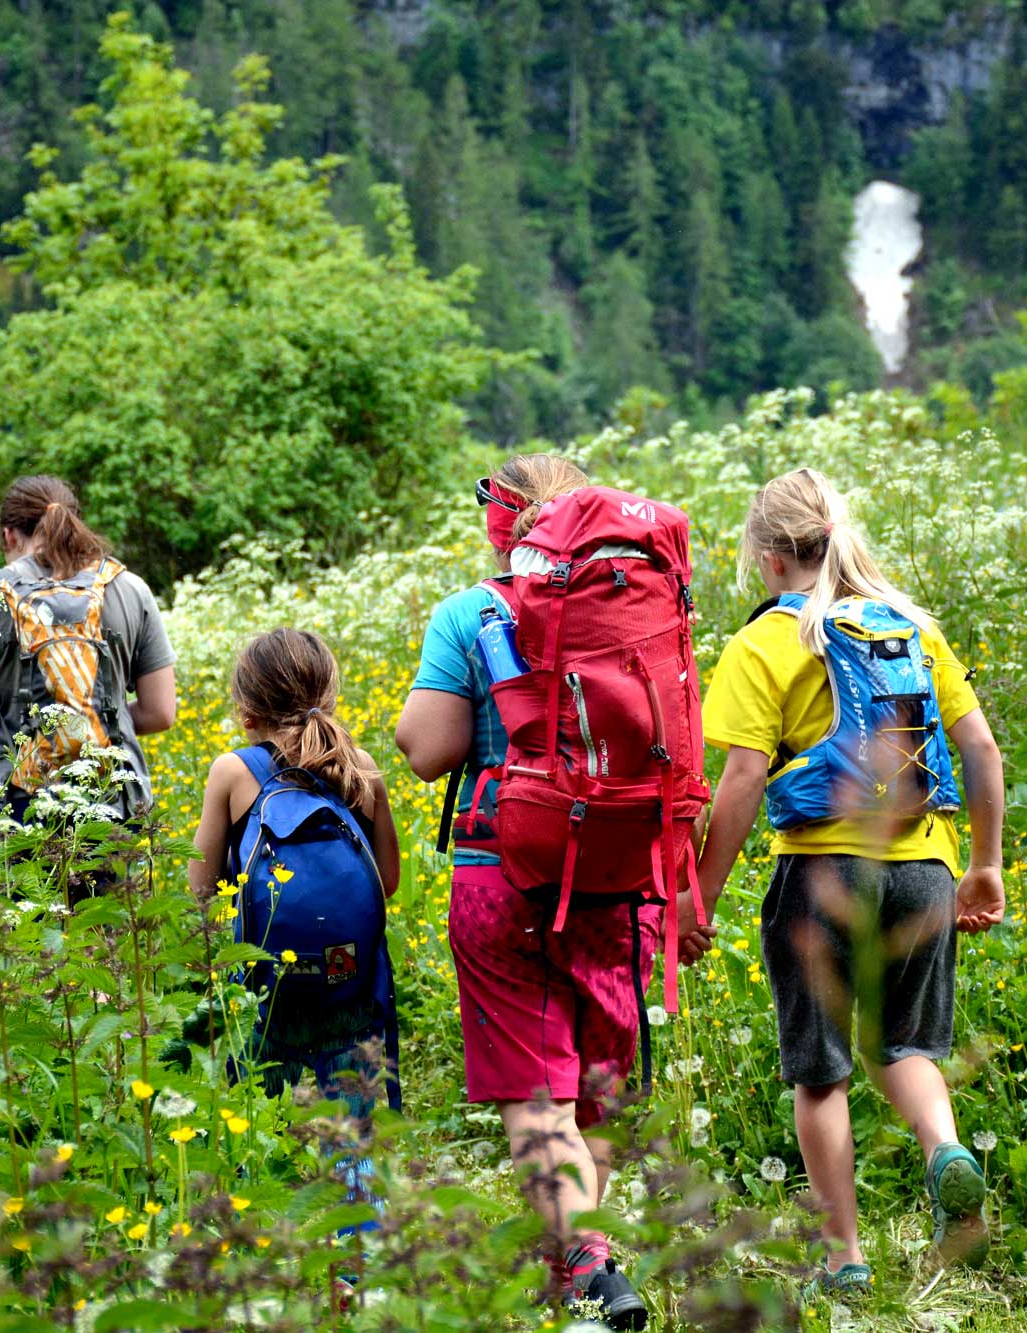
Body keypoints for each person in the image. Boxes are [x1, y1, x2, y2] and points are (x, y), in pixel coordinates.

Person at [680, 467, 1005, 1294]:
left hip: (821, 870)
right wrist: (984, 865)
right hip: (923, 867)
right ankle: (946, 1149)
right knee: (907, 1044)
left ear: (769, 558)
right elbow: (980, 749)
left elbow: (742, 780)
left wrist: (700, 895)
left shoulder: (764, 642)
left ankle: (844, 1260)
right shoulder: (910, 629)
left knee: (819, 1071)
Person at [395, 454, 656, 1330]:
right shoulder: (637, 604)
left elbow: (428, 749)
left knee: (537, 1097)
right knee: (595, 1095)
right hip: (622, 879)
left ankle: (589, 1266)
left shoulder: (470, 612)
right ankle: (580, 1265)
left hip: (503, 878)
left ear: (499, 525)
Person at [186, 626, 402, 1107]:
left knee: (257, 1122)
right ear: (330, 697)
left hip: (264, 992)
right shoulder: (359, 766)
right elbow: (386, 882)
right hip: (349, 984)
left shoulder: (232, 772)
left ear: (247, 712)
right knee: (351, 1133)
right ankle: (352, 1157)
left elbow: (200, 888)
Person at [0, 476, 178, 877]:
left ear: (8, 535)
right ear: (75, 521)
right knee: (109, 916)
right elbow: (160, 713)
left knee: (27, 914)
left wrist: (21, 726)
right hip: (113, 800)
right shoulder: (129, 588)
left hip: (18, 808)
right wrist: (96, 721)